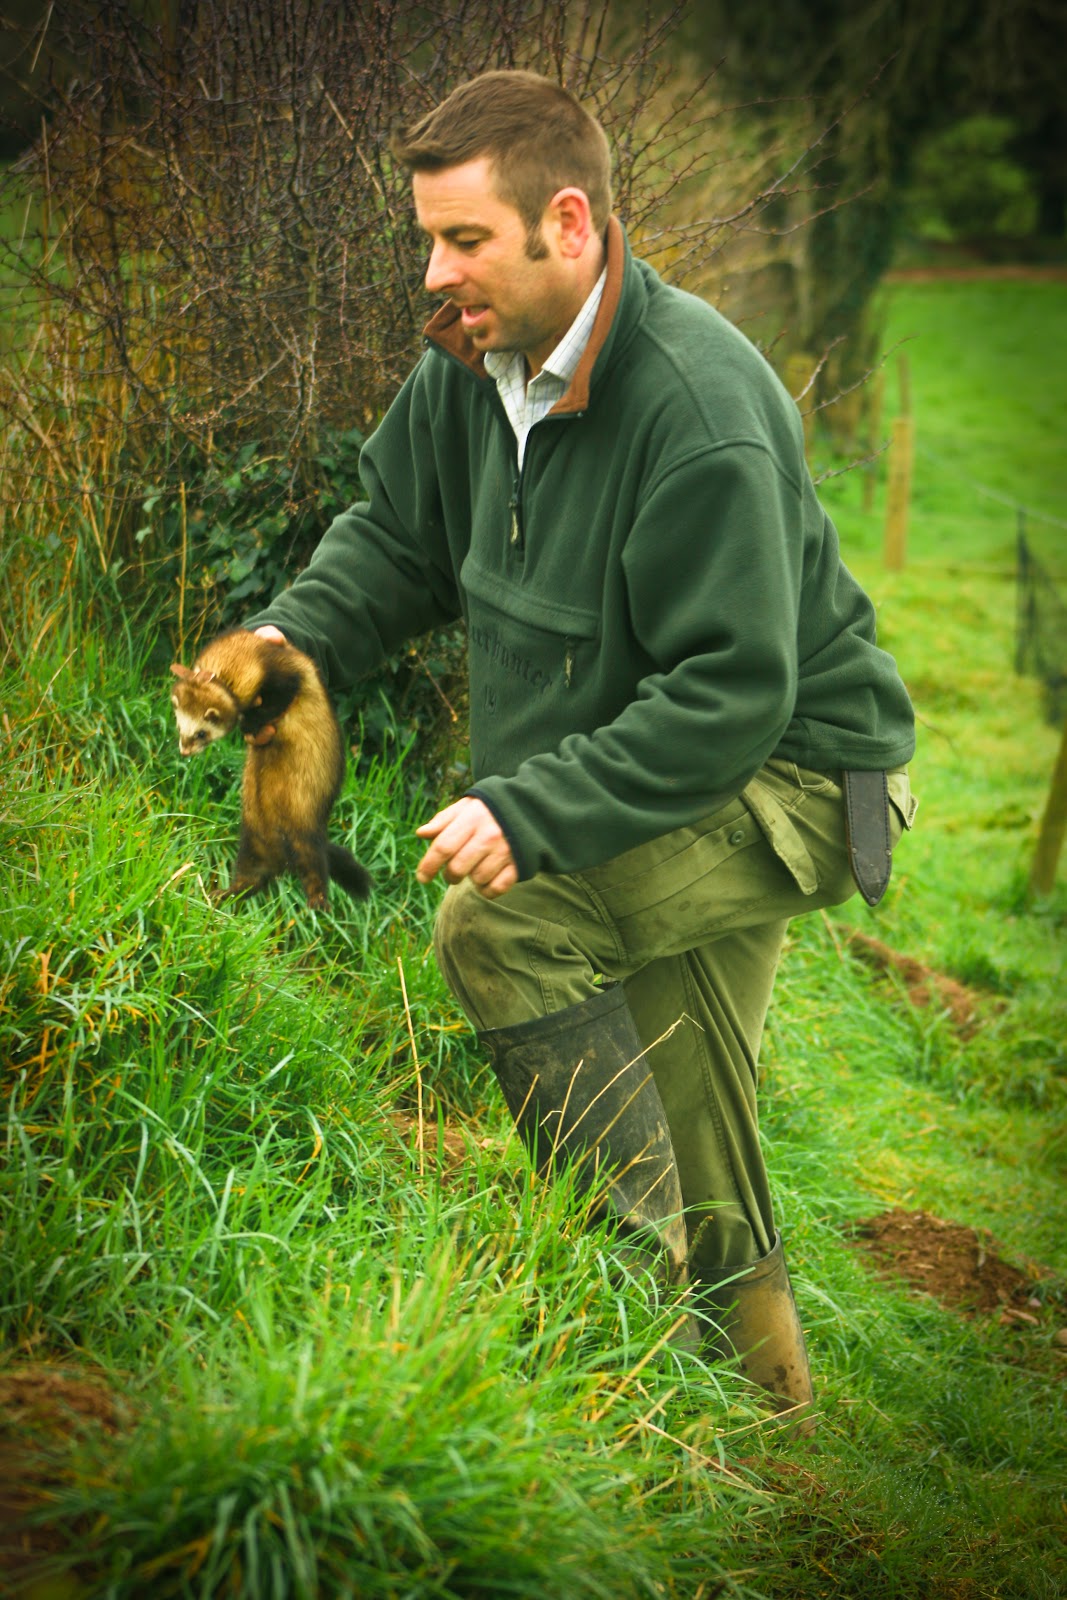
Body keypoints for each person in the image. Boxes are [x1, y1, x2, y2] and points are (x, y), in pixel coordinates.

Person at [247, 69, 917, 1425]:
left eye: (465, 241)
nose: (435, 273)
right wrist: (291, 651)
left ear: (568, 220)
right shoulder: (472, 361)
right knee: (686, 1097)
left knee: (505, 928)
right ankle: (772, 1429)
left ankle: (626, 1322)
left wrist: (532, 814)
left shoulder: (700, 408)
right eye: (425, 240)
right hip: (666, 767)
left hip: (788, 772)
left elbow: (733, 688)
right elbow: (394, 536)